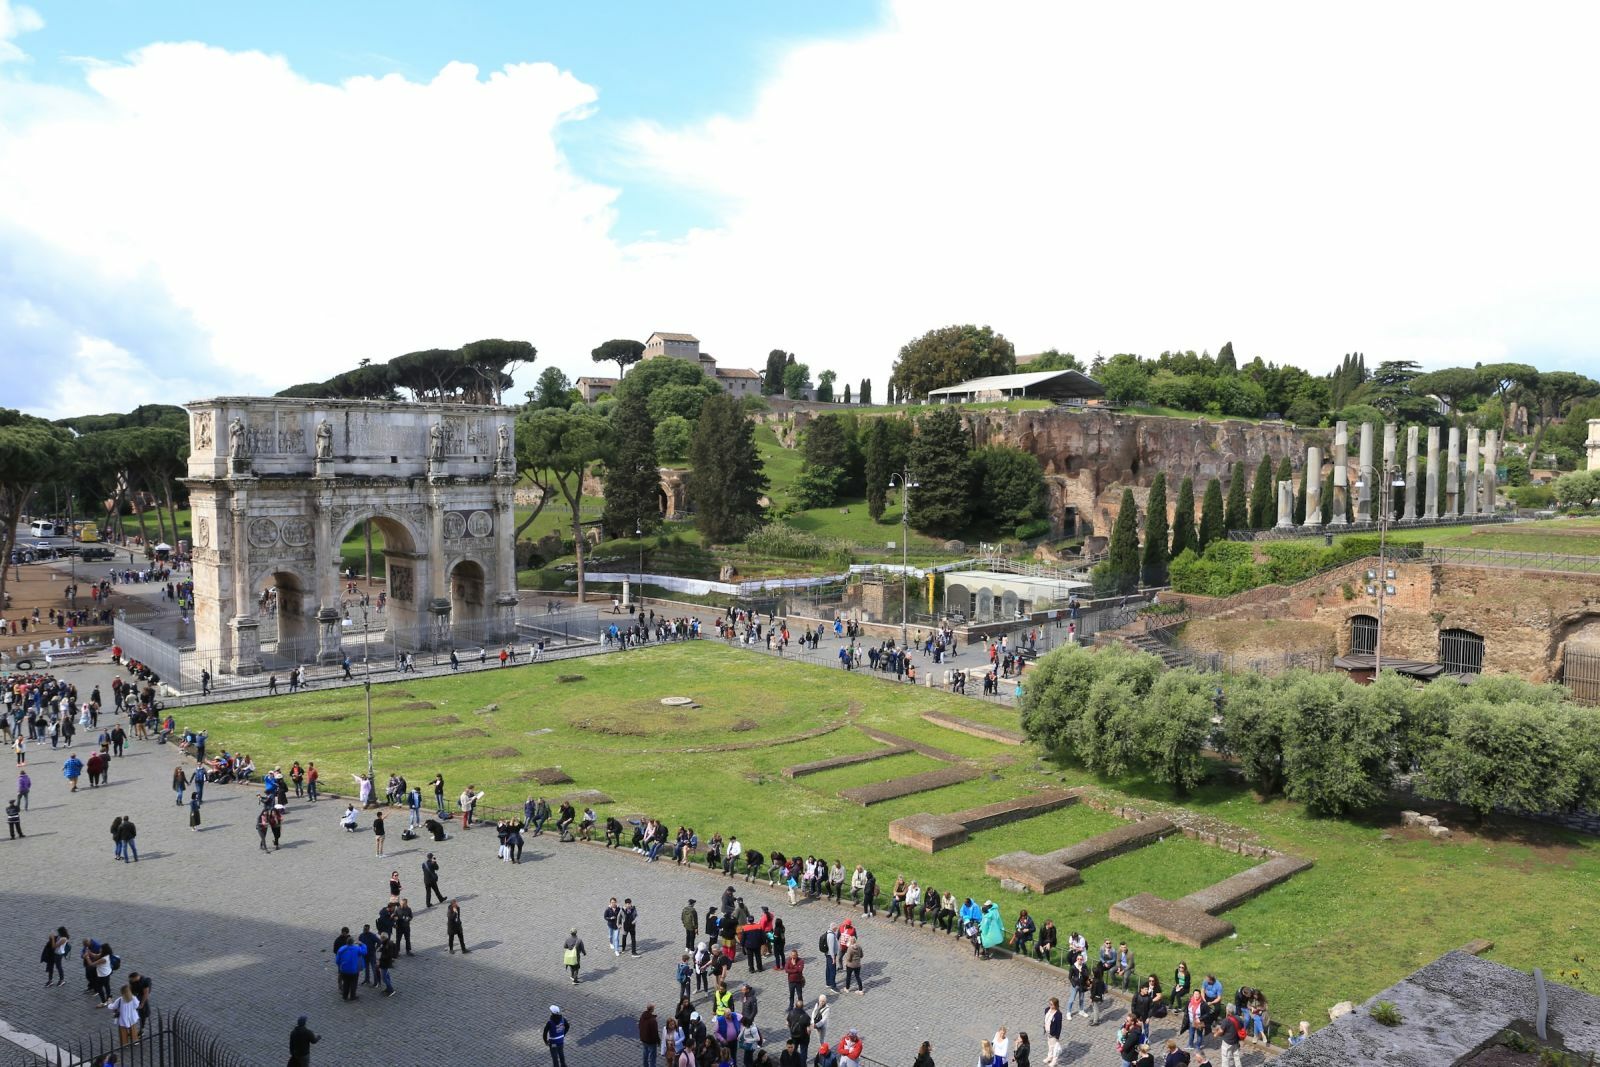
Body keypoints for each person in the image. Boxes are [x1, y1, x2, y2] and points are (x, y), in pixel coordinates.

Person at [1043, 998, 1062, 1067]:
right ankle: (1049, 1057)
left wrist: (1057, 1036)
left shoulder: (1058, 1014)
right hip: (1048, 1032)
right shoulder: (1047, 1010)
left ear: (1055, 1005)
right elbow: (1046, 1020)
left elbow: (1059, 1026)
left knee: (1055, 1048)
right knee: (1049, 1045)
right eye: (1049, 1004)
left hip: (1053, 1033)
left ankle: (1054, 1060)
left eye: (1051, 1004)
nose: (1050, 1005)